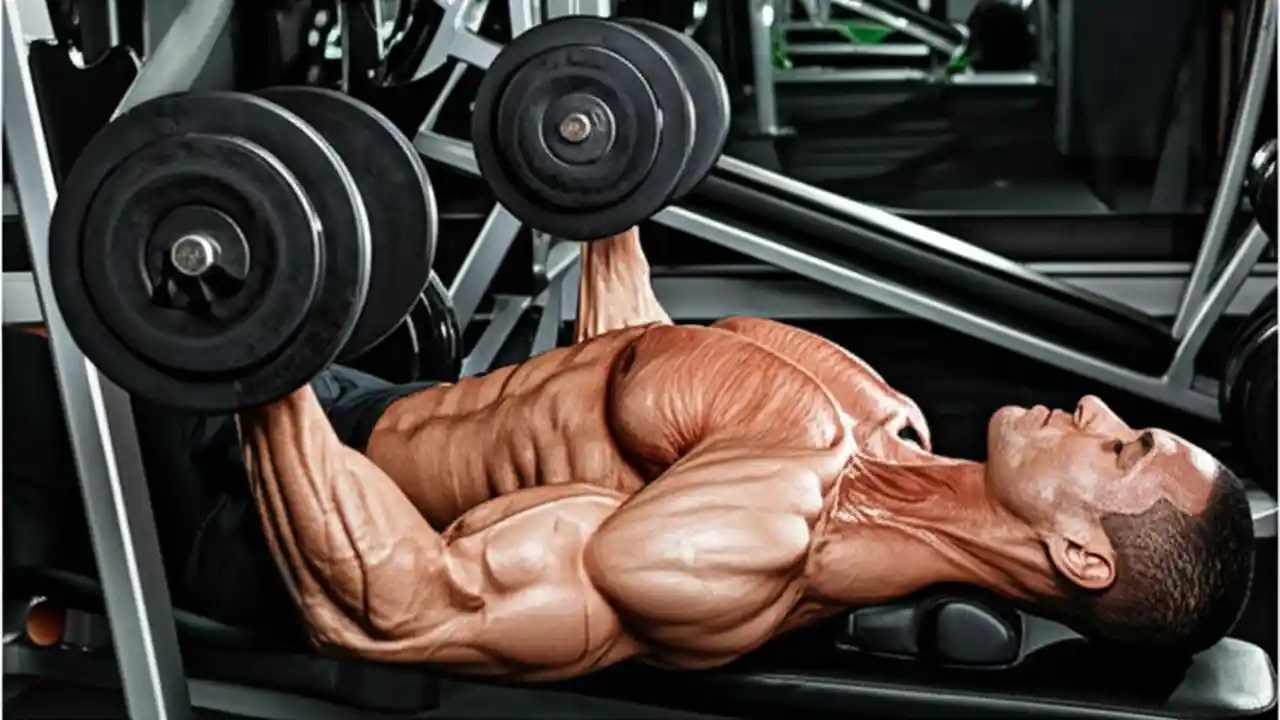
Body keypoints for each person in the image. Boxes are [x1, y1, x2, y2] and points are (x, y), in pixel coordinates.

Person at [232, 229, 1254, 682]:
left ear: (1081, 554)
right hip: (344, 398)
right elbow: (620, 380)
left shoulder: (756, 552)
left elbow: (399, 605)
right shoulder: (871, 416)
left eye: (1120, 445)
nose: (1089, 405)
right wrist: (607, 210)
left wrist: (252, 360)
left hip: (239, 490)